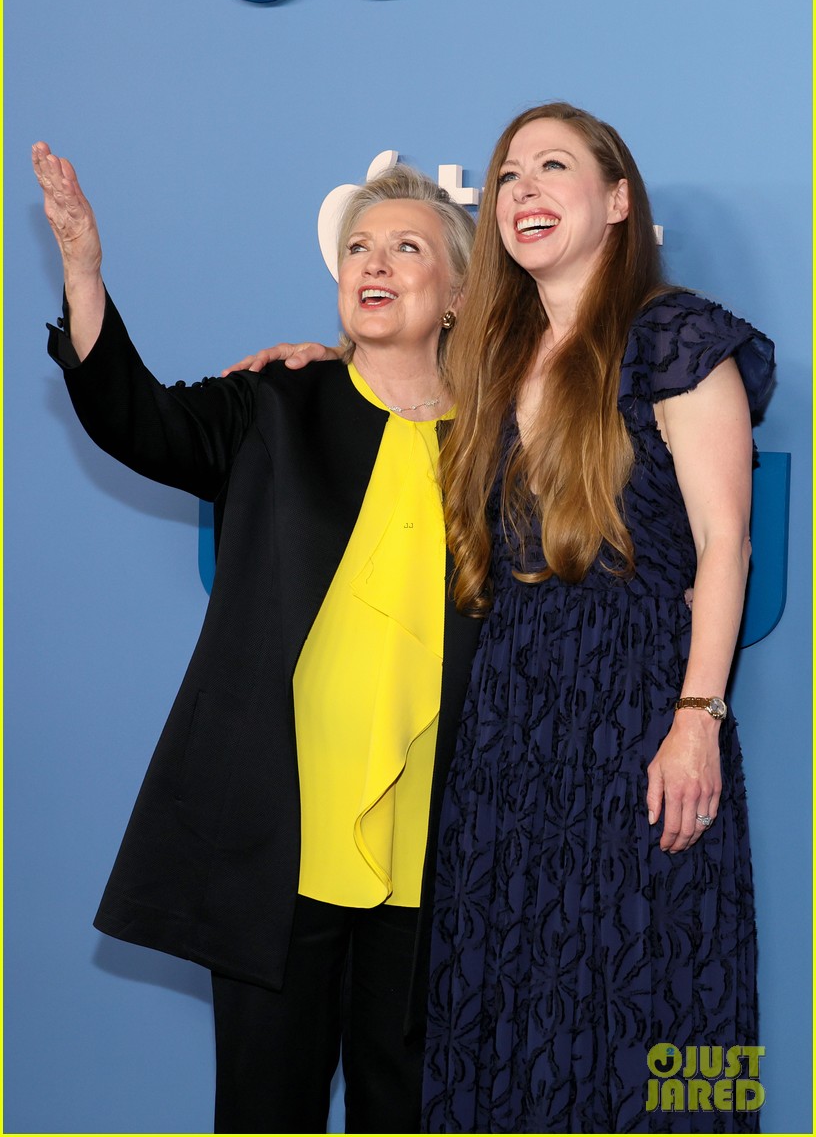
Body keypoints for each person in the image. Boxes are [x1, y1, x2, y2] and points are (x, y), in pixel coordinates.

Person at [32, 143, 481, 1134]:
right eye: (358, 247)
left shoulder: (503, 447)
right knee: (266, 1112)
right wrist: (86, 272)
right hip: (281, 849)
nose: (372, 262)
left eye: (407, 246)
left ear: (457, 293)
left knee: (406, 1111)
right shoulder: (277, 403)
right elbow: (137, 423)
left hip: (436, 854)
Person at [419, 103, 775, 1133]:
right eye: (508, 175)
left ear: (619, 202)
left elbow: (725, 545)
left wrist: (697, 716)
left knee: (667, 999)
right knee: (508, 1004)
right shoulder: (482, 363)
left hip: (640, 718)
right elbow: (380, 378)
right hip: (507, 734)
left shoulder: (675, 337)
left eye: (554, 167)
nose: (523, 189)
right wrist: (300, 359)